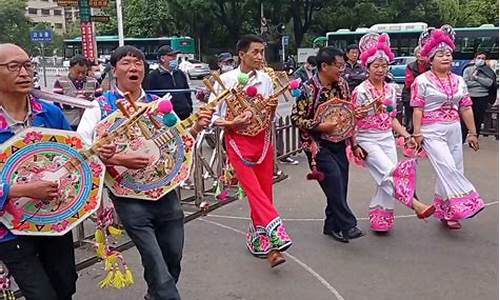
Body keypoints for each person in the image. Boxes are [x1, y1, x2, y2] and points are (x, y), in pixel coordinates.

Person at [77, 45, 212, 300]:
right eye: (126, 62)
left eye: (138, 63)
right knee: (156, 263)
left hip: (167, 193)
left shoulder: (159, 105)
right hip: (129, 198)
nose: (133, 67)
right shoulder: (99, 108)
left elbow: (177, 141)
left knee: (173, 257)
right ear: (114, 70)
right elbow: (83, 150)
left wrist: (195, 129)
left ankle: (155, 296)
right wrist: (118, 158)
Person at [0, 43, 114, 300]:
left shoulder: (49, 113)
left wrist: (97, 155)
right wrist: (20, 190)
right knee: (41, 294)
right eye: (13, 67)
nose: (24, 73)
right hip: (8, 230)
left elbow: (72, 158)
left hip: (54, 220)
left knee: (65, 285)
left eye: (28, 65)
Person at [211, 35, 292, 267]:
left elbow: (269, 114)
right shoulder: (225, 80)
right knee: (253, 190)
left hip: (263, 140)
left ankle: (259, 241)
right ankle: (276, 230)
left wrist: (269, 108)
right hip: (237, 142)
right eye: (255, 52)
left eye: (262, 52)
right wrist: (230, 123)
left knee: (265, 192)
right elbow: (213, 115)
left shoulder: (266, 79)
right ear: (241, 54)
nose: (259, 56)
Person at [351, 33, 435, 232]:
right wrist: (354, 145)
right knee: (391, 173)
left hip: (386, 138)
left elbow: (392, 118)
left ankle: (380, 217)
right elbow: (352, 121)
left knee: (386, 177)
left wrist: (406, 135)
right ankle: (416, 204)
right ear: (367, 67)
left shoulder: (391, 89)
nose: (380, 70)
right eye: (376, 66)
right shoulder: (360, 91)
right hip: (367, 138)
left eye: (383, 65)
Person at [411, 25, 485, 230]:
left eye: (449, 54)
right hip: (431, 130)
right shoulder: (421, 81)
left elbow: (466, 107)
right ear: (430, 59)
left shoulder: (459, 80)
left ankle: (447, 211)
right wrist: (416, 133)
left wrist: (472, 133)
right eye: (441, 54)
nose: (446, 58)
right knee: (446, 166)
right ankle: (468, 201)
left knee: (456, 166)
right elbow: (417, 109)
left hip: (454, 128)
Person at [291, 46, 364, 243]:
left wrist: (354, 142)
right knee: (333, 180)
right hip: (317, 145)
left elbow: (348, 112)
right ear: (324, 66)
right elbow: (296, 118)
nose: (342, 70)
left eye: (343, 66)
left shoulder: (342, 85)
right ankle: (348, 225)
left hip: (339, 142)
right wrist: (320, 125)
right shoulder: (307, 89)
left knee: (341, 185)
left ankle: (331, 225)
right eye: (338, 66)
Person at [53, 54, 101, 129]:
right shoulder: (60, 82)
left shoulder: (94, 82)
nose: (81, 75)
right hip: (69, 123)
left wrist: (91, 101)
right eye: (77, 72)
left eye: (84, 73)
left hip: (89, 123)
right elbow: (57, 103)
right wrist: (74, 103)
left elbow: (101, 101)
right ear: (69, 69)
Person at [145, 45, 193, 120]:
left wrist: (189, 108)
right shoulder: (153, 76)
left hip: (184, 114)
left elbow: (187, 92)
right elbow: (150, 97)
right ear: (162, 58)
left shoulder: (180, 73)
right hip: (166, 117)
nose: (175, 58)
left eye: (175, 56)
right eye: (171, 56)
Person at [461, 51, 497, 141]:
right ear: (474, 59)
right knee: (465, 119)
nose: (480, 60)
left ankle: (474, 139)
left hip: (482, 98)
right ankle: (462, 138)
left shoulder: (488, 71)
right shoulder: (468, 69)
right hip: (469, 97)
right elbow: (465, 82)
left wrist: (476, 78)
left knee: (478, 119)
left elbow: (489, 83)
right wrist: (480, 84)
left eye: (483, 58)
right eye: (479, 58)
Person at [401, 46, 430, 133]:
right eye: (419, 53)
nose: (421, 55)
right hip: (410, 95)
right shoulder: (410, 66)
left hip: (427, 96)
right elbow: (409, 83)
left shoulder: (431, 66)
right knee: (410, 118)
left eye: (424, 54)